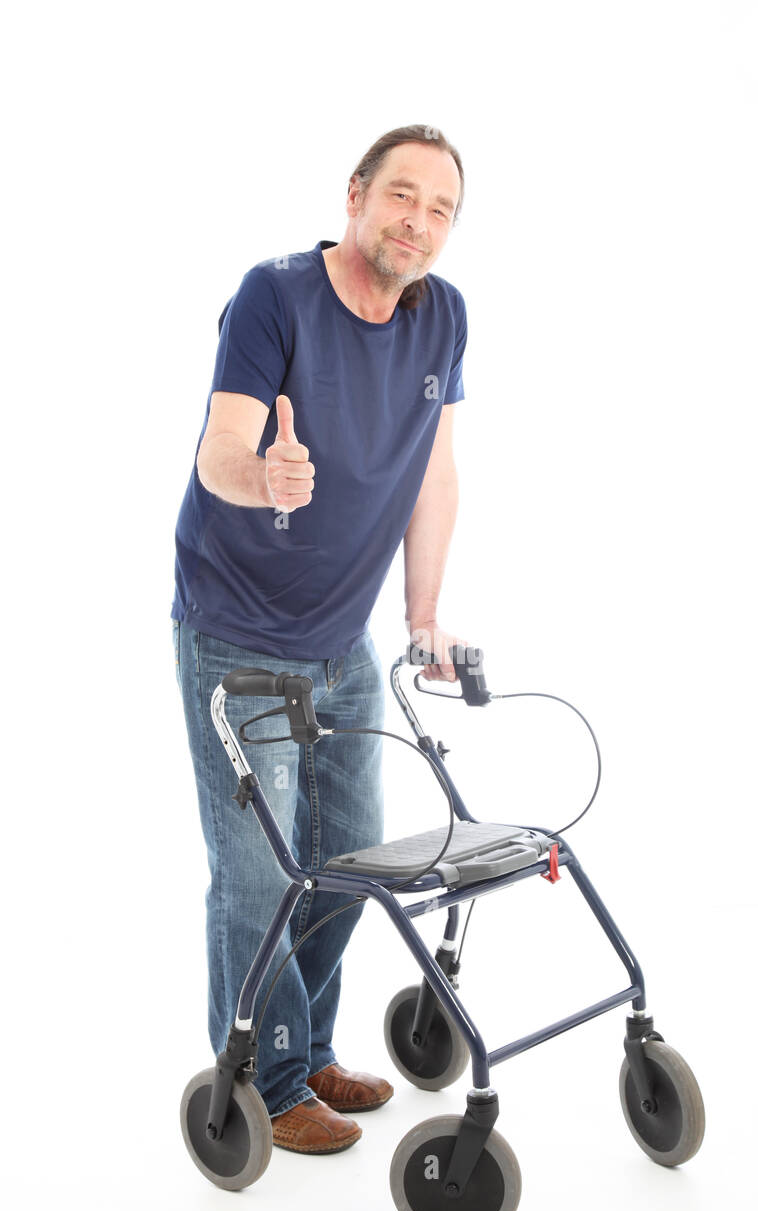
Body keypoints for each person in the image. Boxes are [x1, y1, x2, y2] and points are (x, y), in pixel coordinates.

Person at [171, 124, 470, 1155]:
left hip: (342, 646)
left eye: (439, 208)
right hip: (239, 635)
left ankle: (307, 1046)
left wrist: (421, 615)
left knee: (351, 864)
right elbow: (219, 451)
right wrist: (266, 477)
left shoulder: (442, 318)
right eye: (401, 196)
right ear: (355, 195)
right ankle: (259, 1077)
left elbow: (431, 473)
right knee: (258, 875)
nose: (417, 222)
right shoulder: (274, 295)